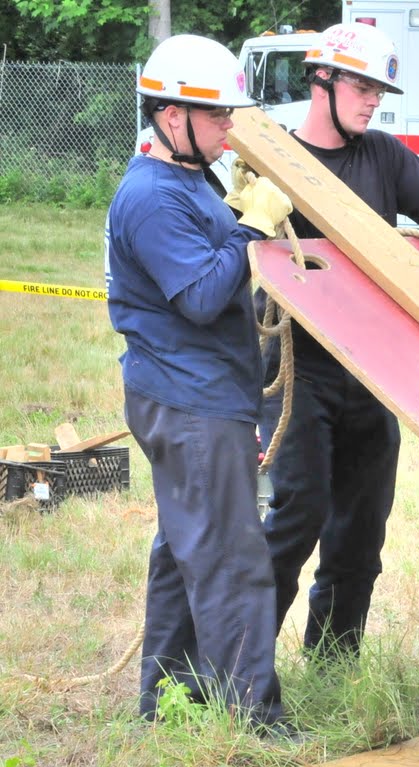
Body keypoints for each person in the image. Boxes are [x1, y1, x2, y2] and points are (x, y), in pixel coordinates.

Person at [259, 22, 419, 659]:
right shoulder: (275, 162)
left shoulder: (383, 155)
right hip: (299, 369)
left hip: (372, 369)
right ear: (321, 80)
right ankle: (244, 666)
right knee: (297, 514)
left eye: (380, 90)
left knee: (361, 529)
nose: (374, 99)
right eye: (362, 86)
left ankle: (332, 661)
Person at [106, 35, 294, 729]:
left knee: (185, 548)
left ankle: (169, 698)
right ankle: (251, 717)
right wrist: (251, 227)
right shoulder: (152, 197)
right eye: (216, 115)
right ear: (171, 116)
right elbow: (201, 297)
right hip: (188, 399)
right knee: (231, 558)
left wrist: (235, 211)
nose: (228, 128)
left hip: (200, 395)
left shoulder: (189, 181)